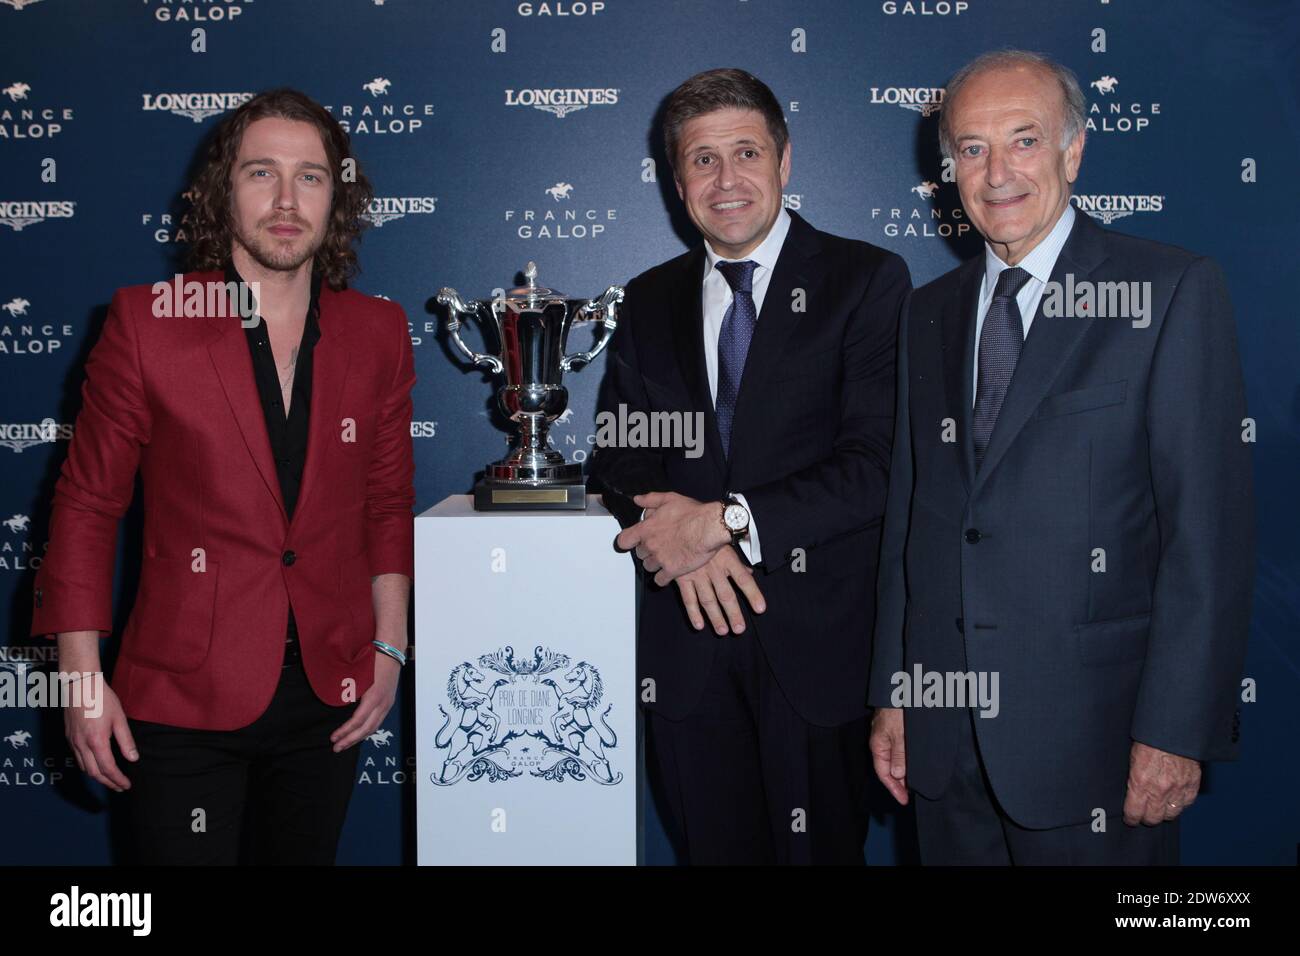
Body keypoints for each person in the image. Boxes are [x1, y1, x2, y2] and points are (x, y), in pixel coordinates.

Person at [868, 51, 1254, 864]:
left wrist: (1175, 731)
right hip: (945, 748)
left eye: (1024, 141)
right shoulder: (926, 314)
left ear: (1074, 153)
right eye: (972, 148)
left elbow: (1206, 537)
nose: (997, 173)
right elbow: (913, 517)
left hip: (1098, 750)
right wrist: (897, 696)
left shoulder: (1168, 290)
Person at [29, 88, 416, 865]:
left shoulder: (377, 331)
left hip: (327, 696)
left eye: (309, 176)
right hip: (178, 703)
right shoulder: (147, 323)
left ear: (335, 196)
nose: (284, 199)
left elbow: (386, 502)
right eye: (259, 173)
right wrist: (78, 678)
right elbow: (86, 506)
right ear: (221, 191)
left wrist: (391, 646)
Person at [591, 68, 910, 864]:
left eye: (746, 153)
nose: (726, 180)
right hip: (686, 654)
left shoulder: (865, 281)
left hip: (820, 655)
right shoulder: (648, 298)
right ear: (675, 181)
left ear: (785, 160)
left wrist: (724, 523)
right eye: (702, 160)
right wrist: (678, 545)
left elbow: (875, 465)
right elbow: (616, 459)